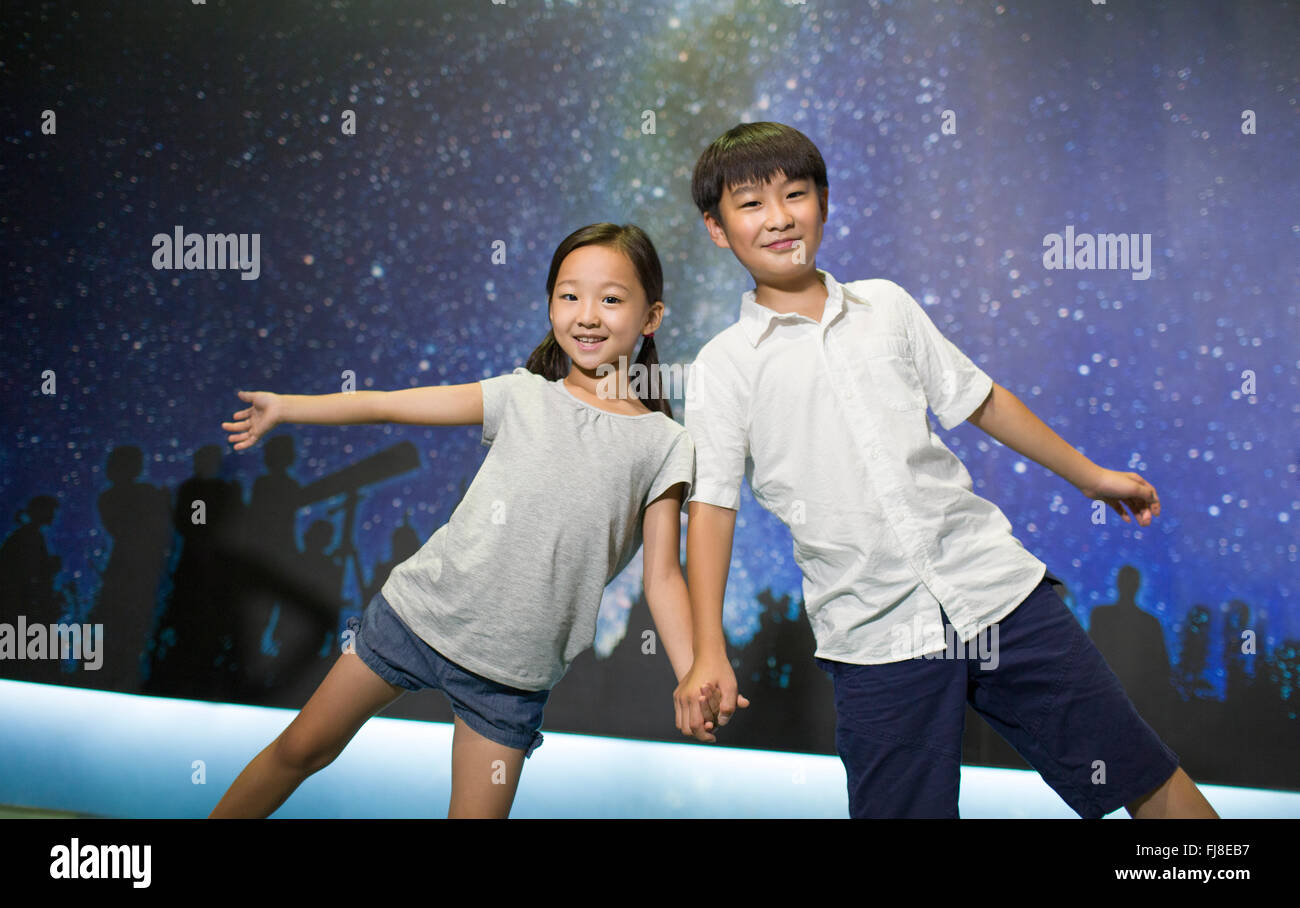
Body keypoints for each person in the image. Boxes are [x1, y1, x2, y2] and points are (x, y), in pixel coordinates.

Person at [674, 121, 1218, 819]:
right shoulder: (724, 363)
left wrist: (1090, 476)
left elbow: (982, 400)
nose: (779, 217)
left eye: (796, 194)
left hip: (993, 589)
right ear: (717, 229)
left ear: (825, 203)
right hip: (873, 633)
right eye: (750, 204)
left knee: (1145, 776)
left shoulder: (887, 306)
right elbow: (712, 506)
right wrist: (705, 651)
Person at [210, 222, 718, 818]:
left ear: (651, 316)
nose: (586, 315)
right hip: (419, 616)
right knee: (301, 748)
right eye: (568, 294)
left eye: (611, 298)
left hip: (512, 674)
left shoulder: (665, 444)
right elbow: (387, 403)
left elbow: (662, 576)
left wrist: (691, 670)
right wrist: (286, 408)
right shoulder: (521, 395)